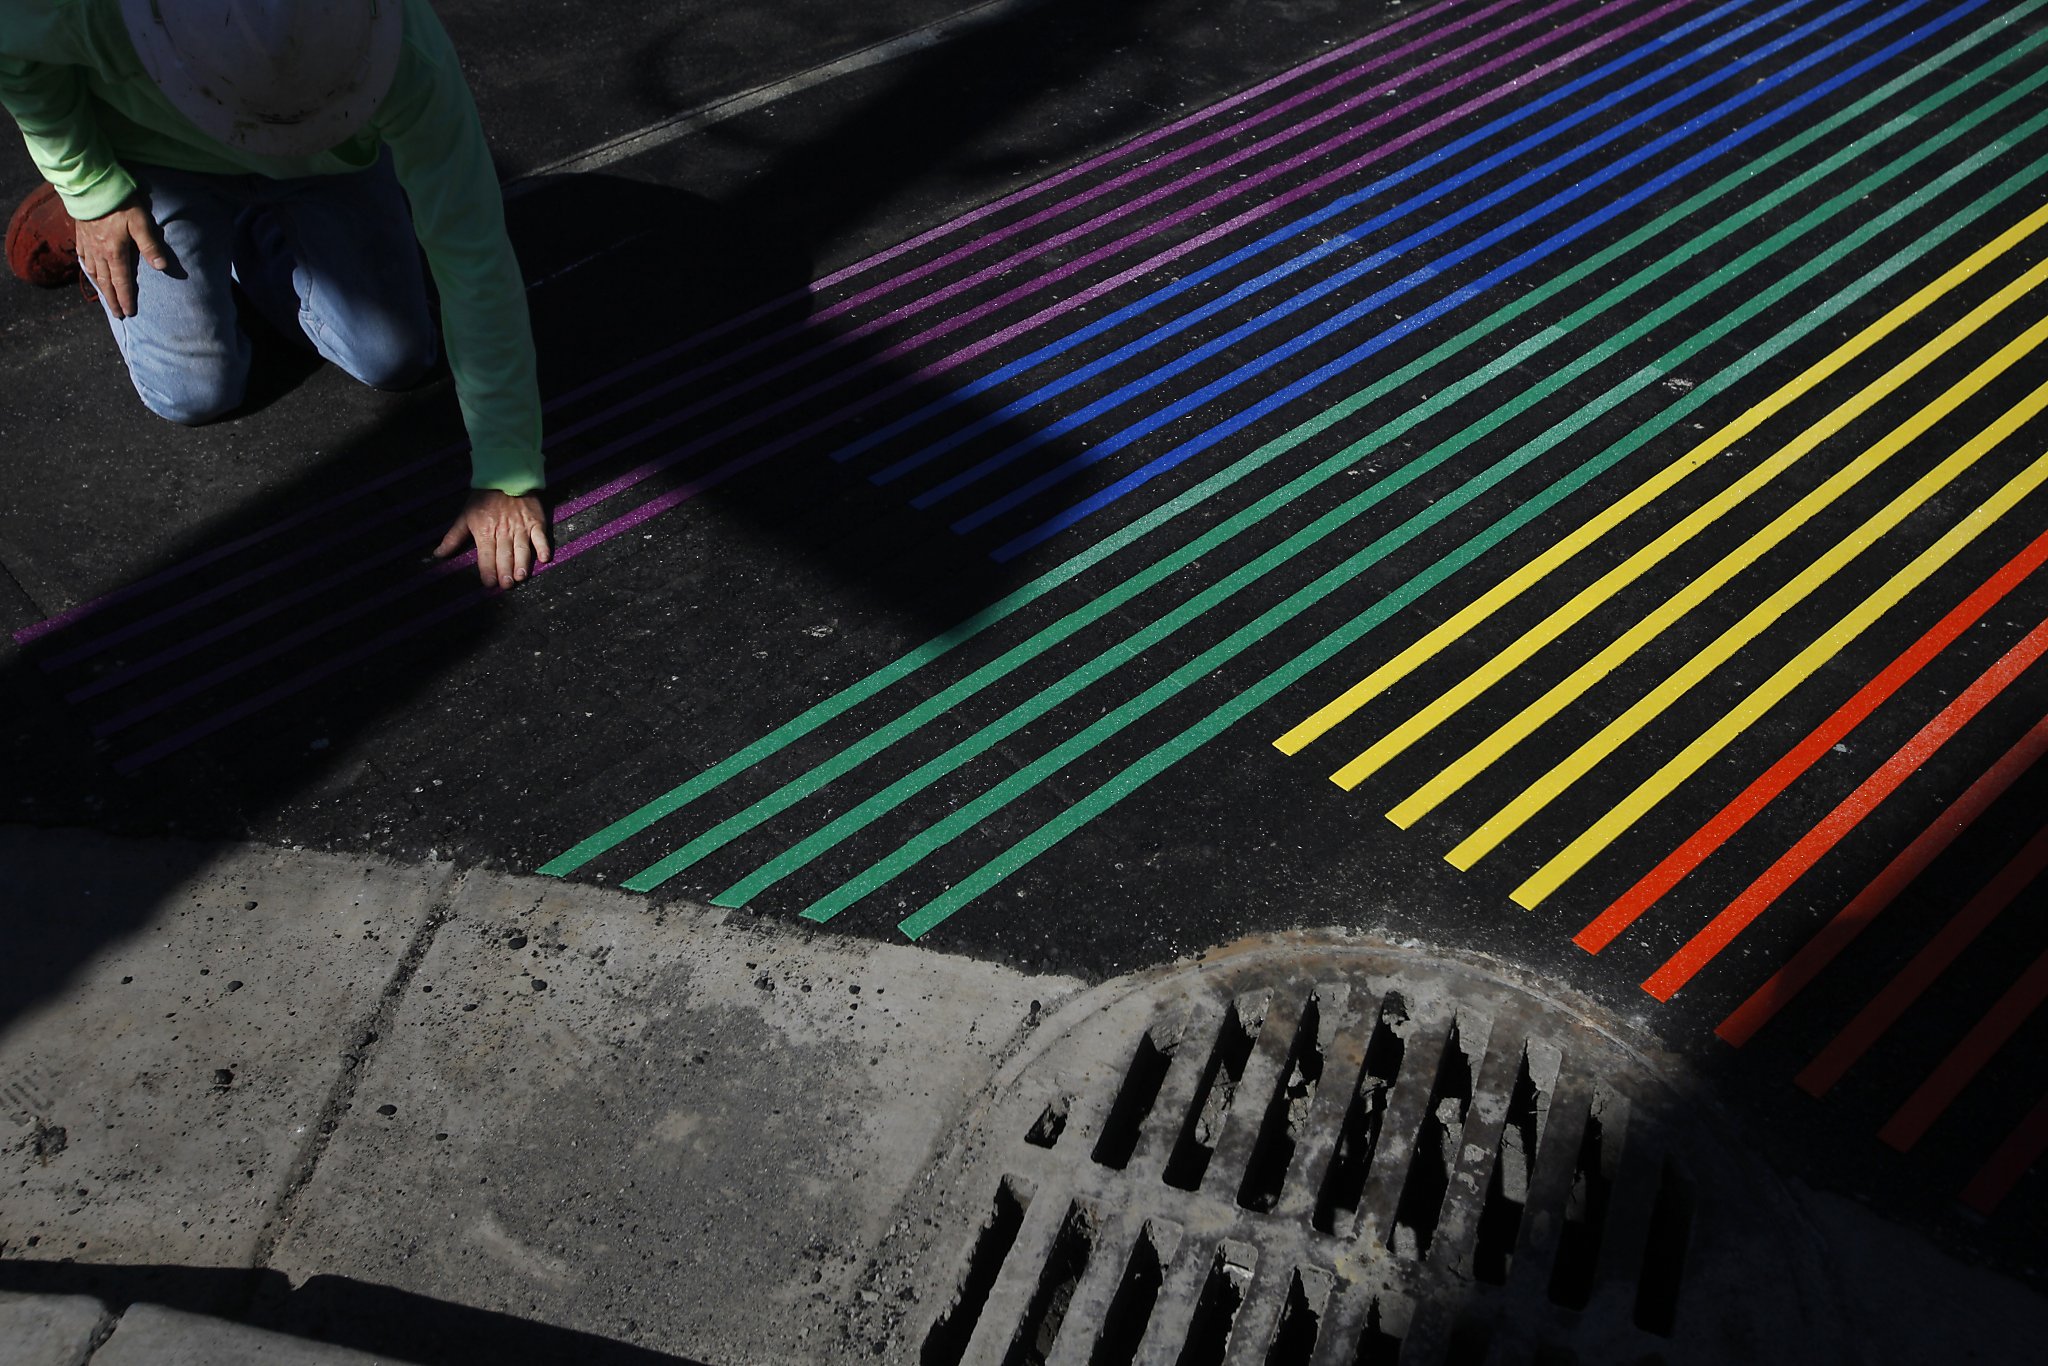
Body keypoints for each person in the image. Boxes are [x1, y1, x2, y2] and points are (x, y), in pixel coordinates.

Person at [0, 0, 548, 588]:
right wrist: (90, 186)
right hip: (154, 155)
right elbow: (17, 55)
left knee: (395, 356)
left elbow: (474, 256)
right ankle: (95, 218)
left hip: (326, 164)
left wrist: (507, 472)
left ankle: (246, 238)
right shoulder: (94, 12)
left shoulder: (402, 49)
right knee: (191, 394)